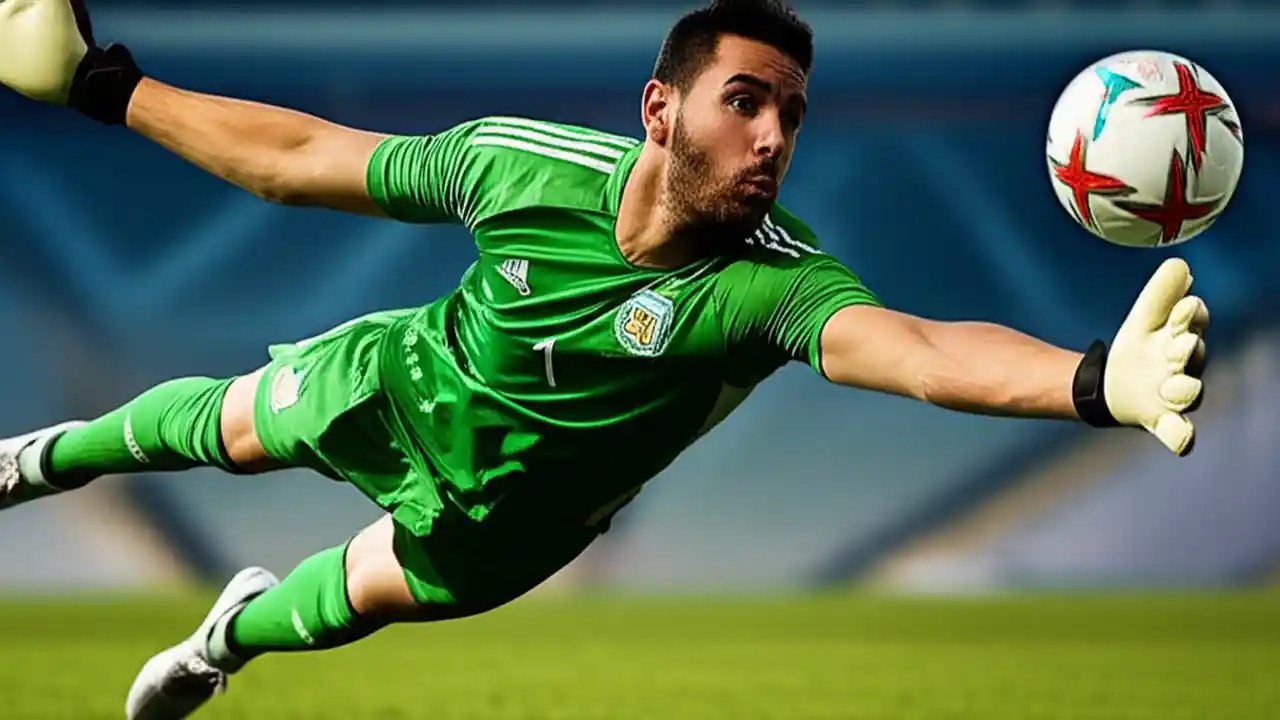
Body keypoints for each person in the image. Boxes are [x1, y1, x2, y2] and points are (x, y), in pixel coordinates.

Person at [0, 0, 1208, 718]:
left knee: (335, 612)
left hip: (524, 518)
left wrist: (1094, 379)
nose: (774, 135)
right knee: (231, 425)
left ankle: (220, 643)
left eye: (790, 111)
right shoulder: (517, 165)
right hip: (409, 380)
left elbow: (916, 349)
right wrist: (107, 85)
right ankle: (37, 460)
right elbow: (296, 156)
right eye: (746, 101)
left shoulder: (773, 281)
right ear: (659, 110)